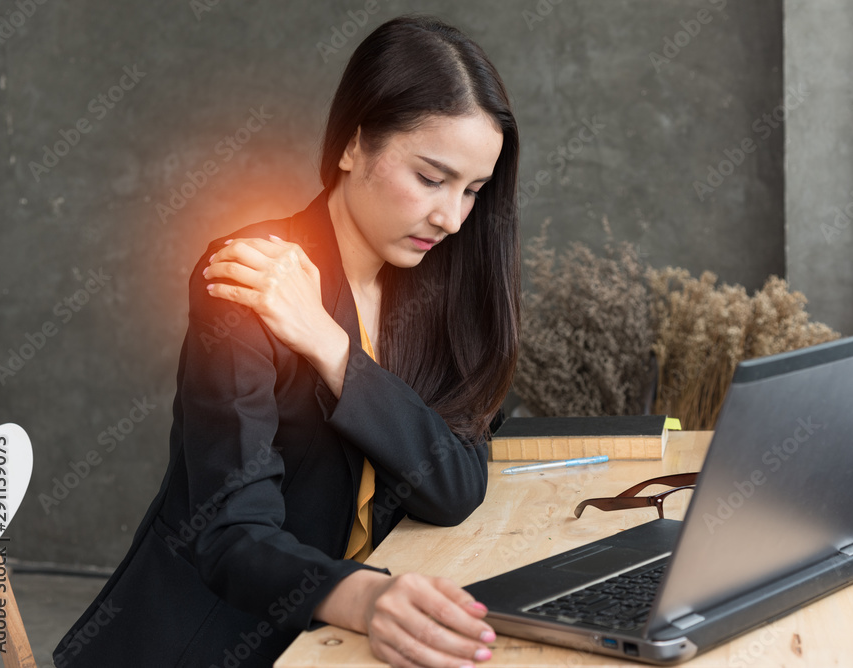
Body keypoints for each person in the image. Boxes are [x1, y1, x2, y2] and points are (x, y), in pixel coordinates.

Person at [53, 14, 520, 668]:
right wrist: (367, 598)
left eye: (473, 190)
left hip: (330, 646)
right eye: (430, 178)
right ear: (353, 145)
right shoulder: (249, 275)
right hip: (204, 645)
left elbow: (455, 486)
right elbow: (229, 531)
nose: (451, 218)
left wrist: (335, 352)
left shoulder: (435, 291)